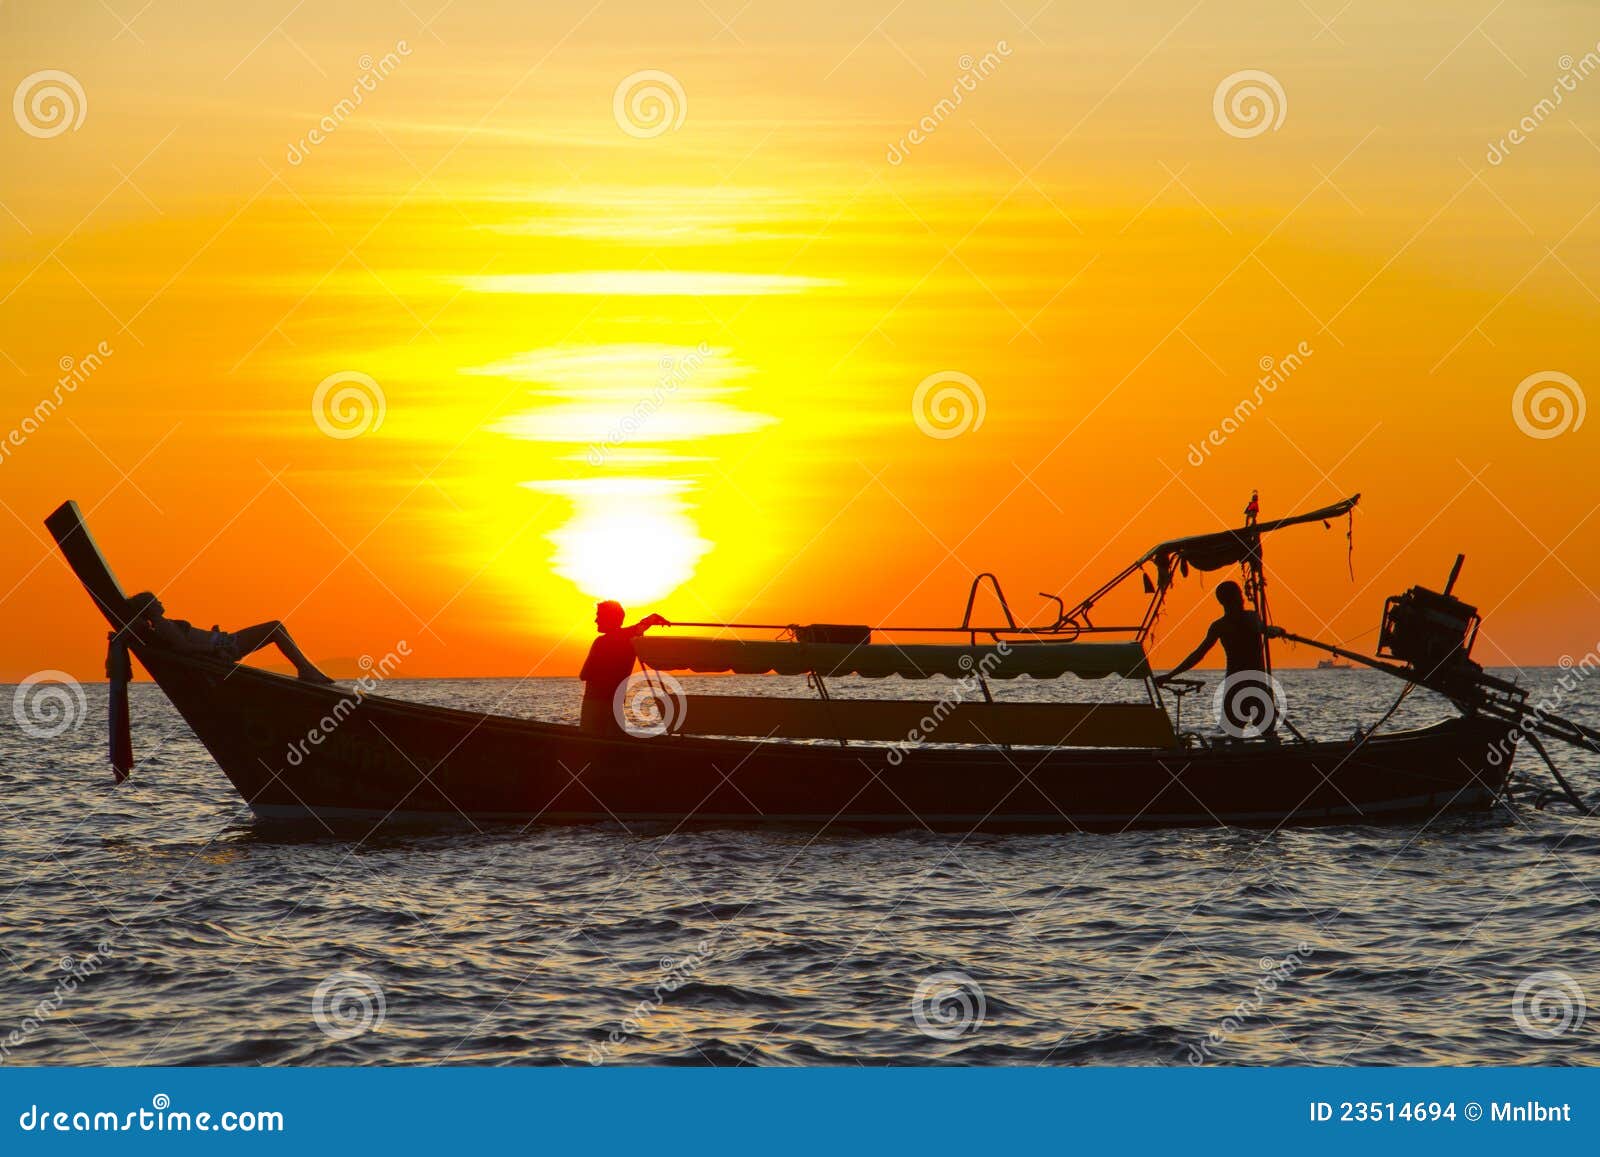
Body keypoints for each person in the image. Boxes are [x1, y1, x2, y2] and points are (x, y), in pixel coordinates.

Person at [1155, 580, 1281, 736]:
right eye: (1238, 596)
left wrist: (1273, 630)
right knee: (1234, 735)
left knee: (1267, 734)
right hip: (1236, 686)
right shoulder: (1222, 626)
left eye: (1240, 596)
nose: (1242, 600)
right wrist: (1170, 675)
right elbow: (1198, 655)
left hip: (1256, 684)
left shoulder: (1250, 617)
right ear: (1228, 601)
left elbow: (1263, 629)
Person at [122, 591, 336, 684]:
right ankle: (306, 669)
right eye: (155, 601)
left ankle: (306, 668)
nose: (160, 602)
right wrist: (214, 649)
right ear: (149, 607)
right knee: (274, 628)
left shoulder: (162, 624)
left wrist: (212, 635)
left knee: (276, 628)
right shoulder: (161, 625)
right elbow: (184, 647)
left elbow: (188, 642)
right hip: (225, 646)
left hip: (221, 641)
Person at [579, 601, 670, 735]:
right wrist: (656, 618)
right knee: (613, 741)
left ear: (608, 618)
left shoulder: (601, 642)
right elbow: (648, 621)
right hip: (616, 704)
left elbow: (584, 675)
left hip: (594, 702)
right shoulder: (629, 636)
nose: (596, 620)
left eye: (599, 616)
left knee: (589, 741)